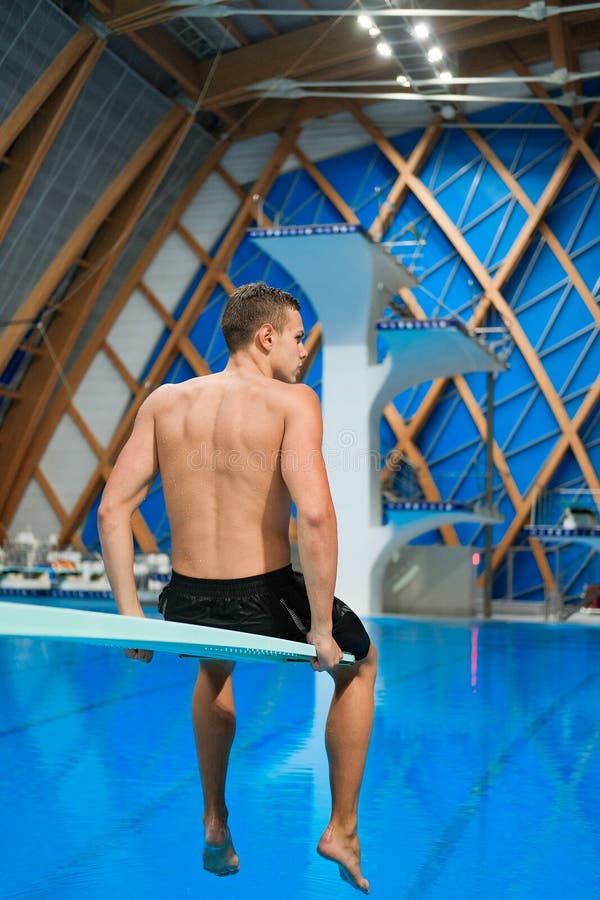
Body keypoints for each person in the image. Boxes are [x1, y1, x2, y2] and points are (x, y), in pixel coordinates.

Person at [98, 281, 377, 893]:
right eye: (299, 338)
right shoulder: (293, 402)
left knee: (212, 671)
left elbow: (113, 510)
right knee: (360, 664)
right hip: (263, 595)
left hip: (185, 600)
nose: (305, 352)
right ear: (266, 336)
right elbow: (315, 517)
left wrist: (129, 616)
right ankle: (342, 829)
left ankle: (216, 821)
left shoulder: (163, 403)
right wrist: (323, 630)